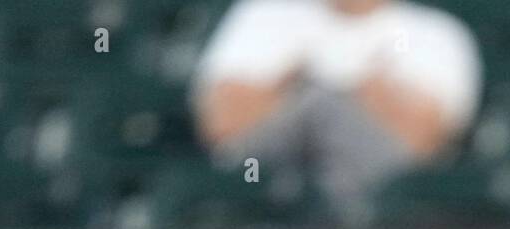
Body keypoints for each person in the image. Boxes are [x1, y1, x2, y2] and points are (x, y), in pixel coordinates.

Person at [192, 0, 482, 213]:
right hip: (273, 156)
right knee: (316, 106)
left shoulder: (434, 32)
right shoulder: (264, 13)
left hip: (374, 175)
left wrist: (313, 85)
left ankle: (338, 220)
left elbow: (425, 143)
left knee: (331, 114)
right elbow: (222, 125)